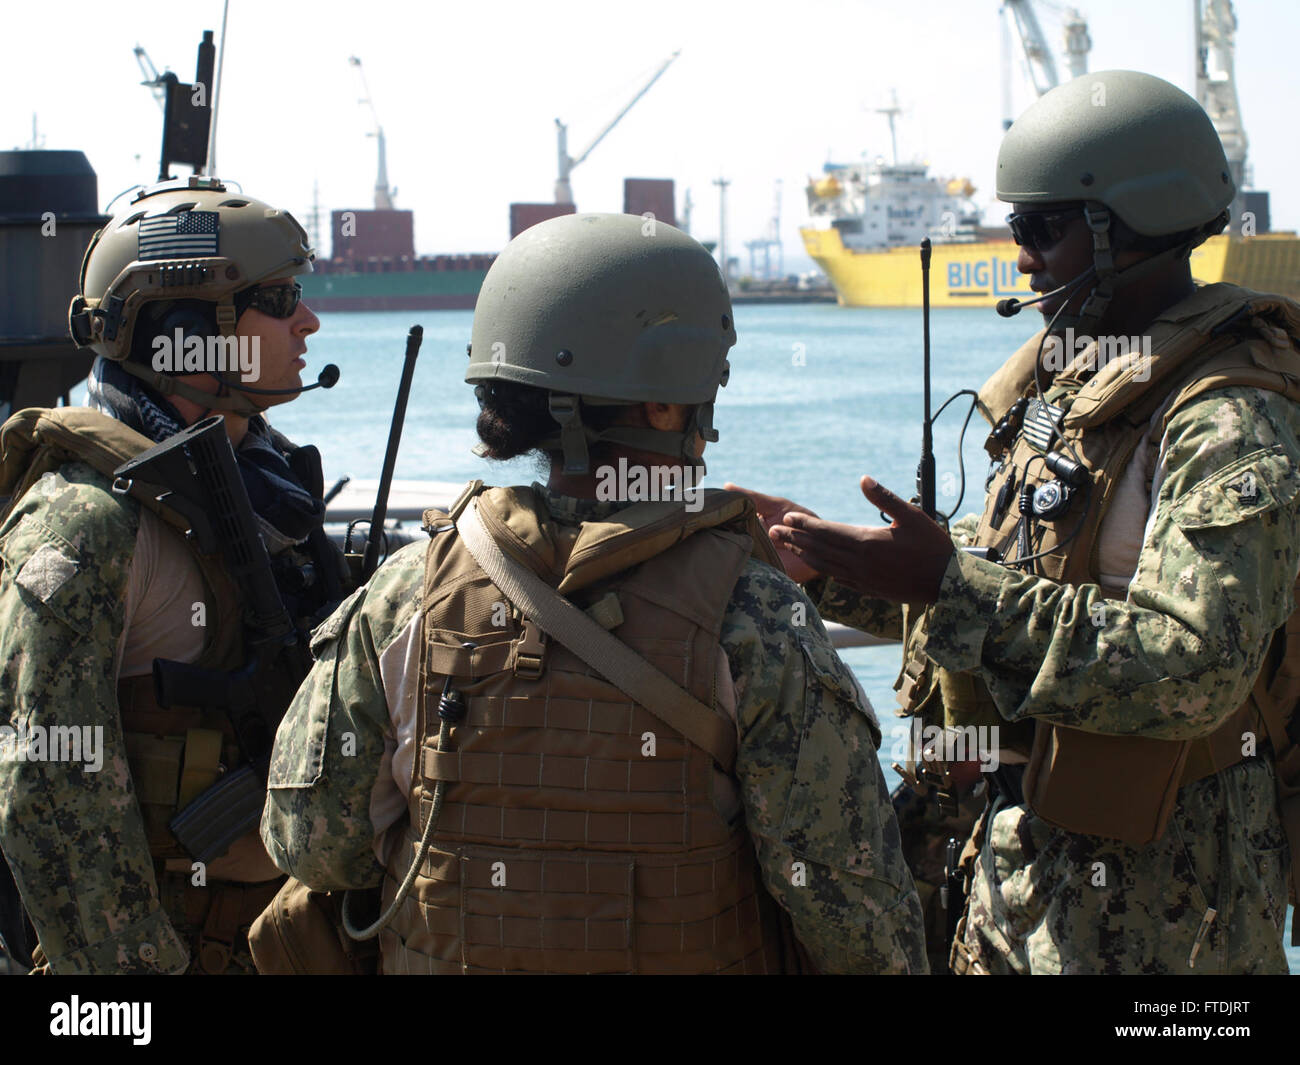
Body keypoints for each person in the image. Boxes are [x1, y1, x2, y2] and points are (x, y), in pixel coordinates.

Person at [259, 212, 927, 974]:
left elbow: (310, 839)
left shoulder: (407, 591)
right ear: (669, 406)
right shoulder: (758, 616)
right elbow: (860, 925)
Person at [739, 70, 1300, 975]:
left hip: (1168, 924)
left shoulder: (1227, 417)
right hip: (1018, 883)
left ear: (1128, 229)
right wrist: (829, 559)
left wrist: (946, 584)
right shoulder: (1075, 382)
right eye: (1016, 229)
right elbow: (1011, 576)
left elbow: (1194, 664)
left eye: (1041, 228)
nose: (1022, 257)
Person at [0, 176, 347, 974]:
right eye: (280, 296)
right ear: (187, 329)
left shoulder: (268, 492)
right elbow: (49, 800)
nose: (309, 320)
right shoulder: (90, 525)